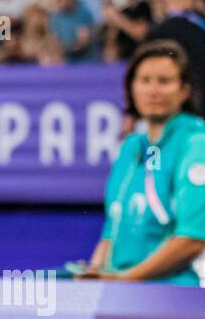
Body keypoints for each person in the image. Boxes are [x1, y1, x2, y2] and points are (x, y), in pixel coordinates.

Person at [76, 39, 205, 284]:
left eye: (164, 81)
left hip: (180, 295)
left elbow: (193, 239)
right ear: (131, 88)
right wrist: (93, 274)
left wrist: (125, 280)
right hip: (123, 292)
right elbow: (111, 230)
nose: (153, 90)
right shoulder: (132, 147)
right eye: (145, 80)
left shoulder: (197, 144)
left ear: (184, 90)